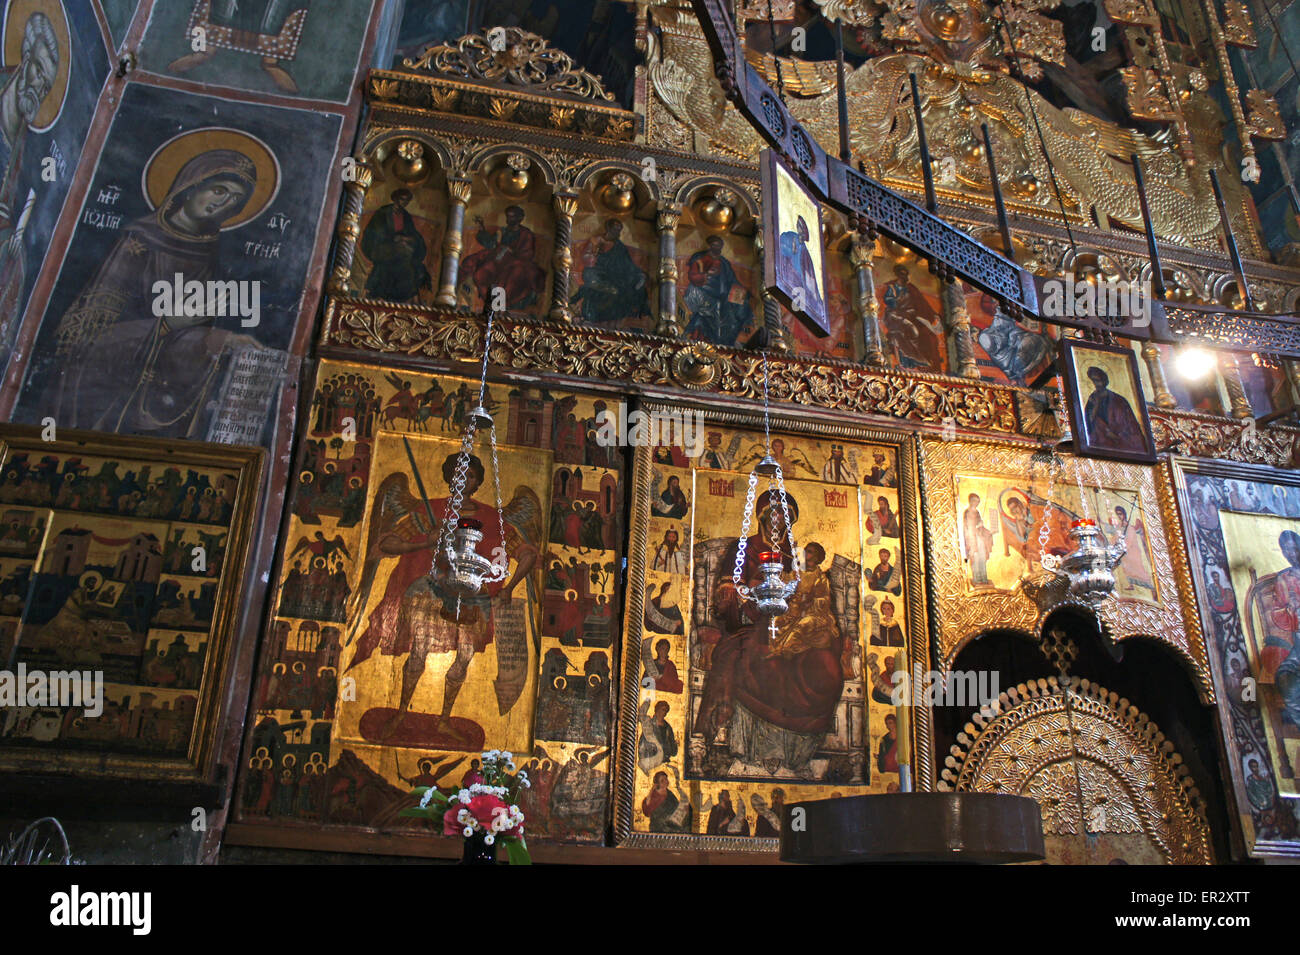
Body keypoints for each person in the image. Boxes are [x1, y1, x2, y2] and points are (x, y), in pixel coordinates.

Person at [43, 148, 268, 437]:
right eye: (219, 190)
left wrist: (222, 340)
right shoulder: (138, 241)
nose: (223, 204)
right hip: (108, 382)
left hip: (162, 376)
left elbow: (186, 334)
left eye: (234, 200)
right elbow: (86, 335)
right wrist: (168, 325)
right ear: (190, 186)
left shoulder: (209, 252)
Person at [696, 491, 845, 775]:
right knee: (755, 661)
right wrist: (750, 596)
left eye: (785, 515)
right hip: (753, 623)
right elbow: (729, 590)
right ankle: (728, 741)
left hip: (791, 627)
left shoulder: (796, 555)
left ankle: (799, 752)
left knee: (826, 667)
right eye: (775, 513)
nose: (779, 520)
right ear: (763, 515)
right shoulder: (745, 548)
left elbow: (810, 593)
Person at [461, 205, 546, 309]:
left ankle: (499, 306)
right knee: (481, 272)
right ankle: (489, 304)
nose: (510, 219)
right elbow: (491, 244)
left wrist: (512, 252)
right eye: (508, 216)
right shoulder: (502, 231)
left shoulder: (526, 234)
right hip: (499, 259)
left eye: (513, 217)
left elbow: (528, 253)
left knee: (510, 277)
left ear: (520, 218)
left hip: (517, 262)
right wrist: (482, 227)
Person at [570, 217, 649, 323]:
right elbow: (584, 257)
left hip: (615, 275)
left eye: (619, 231)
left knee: (630, 287)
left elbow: (627, 264)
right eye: (615, 230)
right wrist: (594, 254)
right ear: (608, 228)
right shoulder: (596, 240)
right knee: (591, 280)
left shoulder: (619, 247)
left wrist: (639, 274)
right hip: (597, 272)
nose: (617, 233)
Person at [358, 188, 430, 302]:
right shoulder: (383, 213)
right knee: (400, 258)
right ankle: (413, 296)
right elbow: (374, 232)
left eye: (406, 201)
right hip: (380, 247)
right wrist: (393, 239)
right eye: (402, 199)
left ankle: (404, 296)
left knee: (406, 261)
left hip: (400, 249)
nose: (404, 203)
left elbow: (412, 234)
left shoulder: (406, 216)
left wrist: (405, 239)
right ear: (395, 199)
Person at [683, 235, 754, 345]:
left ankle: (739, 332)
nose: (717, 248)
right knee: (708, 316)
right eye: (714, 245)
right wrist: (705, 277)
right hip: (705, 292)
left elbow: (732, 280)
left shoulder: (724, 263)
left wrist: (743, 291)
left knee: (741, 302)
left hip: (724, 294)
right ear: (710, 246)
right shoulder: (701, 259)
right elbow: (694, 275)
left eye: (719, 246)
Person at [1082, 365, 1145, 453]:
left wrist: (1116, 436)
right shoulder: (1092, 399)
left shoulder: (1119, 400)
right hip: (1099, 443)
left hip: (1121, 443)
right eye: (1094, 381)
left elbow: (1130, 425)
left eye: (1098, 380)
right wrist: (1096, 406)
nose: (1097, 384)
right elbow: (1087, 424)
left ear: (1104, 381)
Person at [776, 214, 824, 320]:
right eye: (801, 230)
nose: (802, 235)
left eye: (804, 235)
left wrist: (810, 285)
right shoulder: (790, 236)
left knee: (805, 299)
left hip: (800, 280)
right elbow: (782, 246)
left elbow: (808, 270)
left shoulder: (804, 249)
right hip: (790, 273)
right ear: (798, 228)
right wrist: (790, 250)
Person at [963, 493, 995, 586]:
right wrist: (976, 527)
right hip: (972, 539)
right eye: (975, 501)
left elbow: (980, 524)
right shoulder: (967, 512)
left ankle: (983, 578)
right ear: (971, 501)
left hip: (979, 537)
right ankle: (977, 579)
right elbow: (967, 526)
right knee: (975, 558)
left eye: (978, 502)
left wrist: (981, 524)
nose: (976, 503)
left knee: (982, 557)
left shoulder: (977, 512)